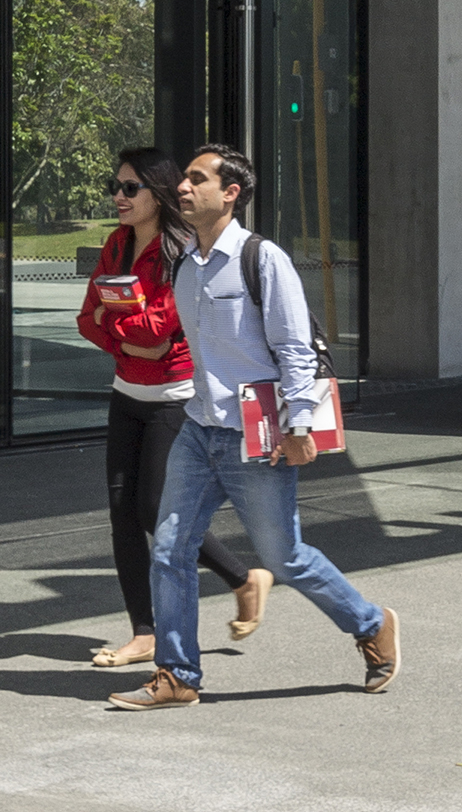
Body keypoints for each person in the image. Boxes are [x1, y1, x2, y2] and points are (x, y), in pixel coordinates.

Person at [107, 140, 398, 712]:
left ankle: (369, 623)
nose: (184, 188)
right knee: (169, 550)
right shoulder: (184, 262)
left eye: (197, 179)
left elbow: (293, 349)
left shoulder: (262, 260)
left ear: (231, 192)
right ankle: (178, 675)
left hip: (256, 435)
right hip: (197, 427)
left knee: (284, 556)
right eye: (184, 180)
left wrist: (300, 426)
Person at [75, 149, 268, 668]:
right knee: (122, 514)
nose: (119, 196)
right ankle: (145, 631)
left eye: (130, 188)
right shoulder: (116, 245)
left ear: (157, 193)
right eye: (114, 186)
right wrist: (129, 341)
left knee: (153, 509)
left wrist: (127, 329)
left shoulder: (180, 250)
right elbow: (87, 320)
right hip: (126, 392)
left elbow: (160, 331)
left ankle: (242, 577)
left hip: (174, 399)